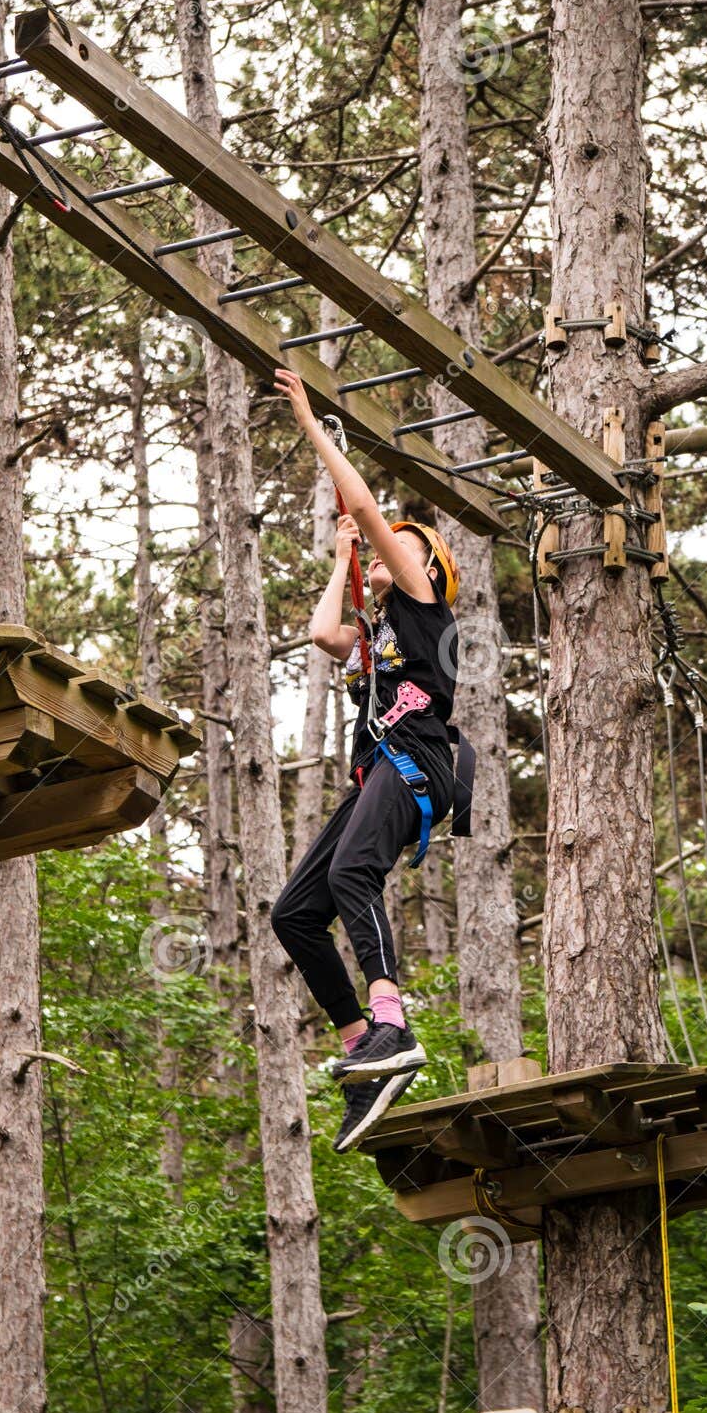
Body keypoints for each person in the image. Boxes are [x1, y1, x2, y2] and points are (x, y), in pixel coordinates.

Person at [269, 367, 469, 1154]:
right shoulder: (379, 630)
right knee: (294, 914)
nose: (388, 551)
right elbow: (326, 636)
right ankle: (363, 1048)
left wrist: (315, 430)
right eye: (386, 549)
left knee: (354, 874)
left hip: (417, 762)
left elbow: (363, 506)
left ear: (425, 566)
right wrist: (341, 560)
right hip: (381, 772)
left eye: (399, 546)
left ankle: (392, 1019)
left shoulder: (424, 604)